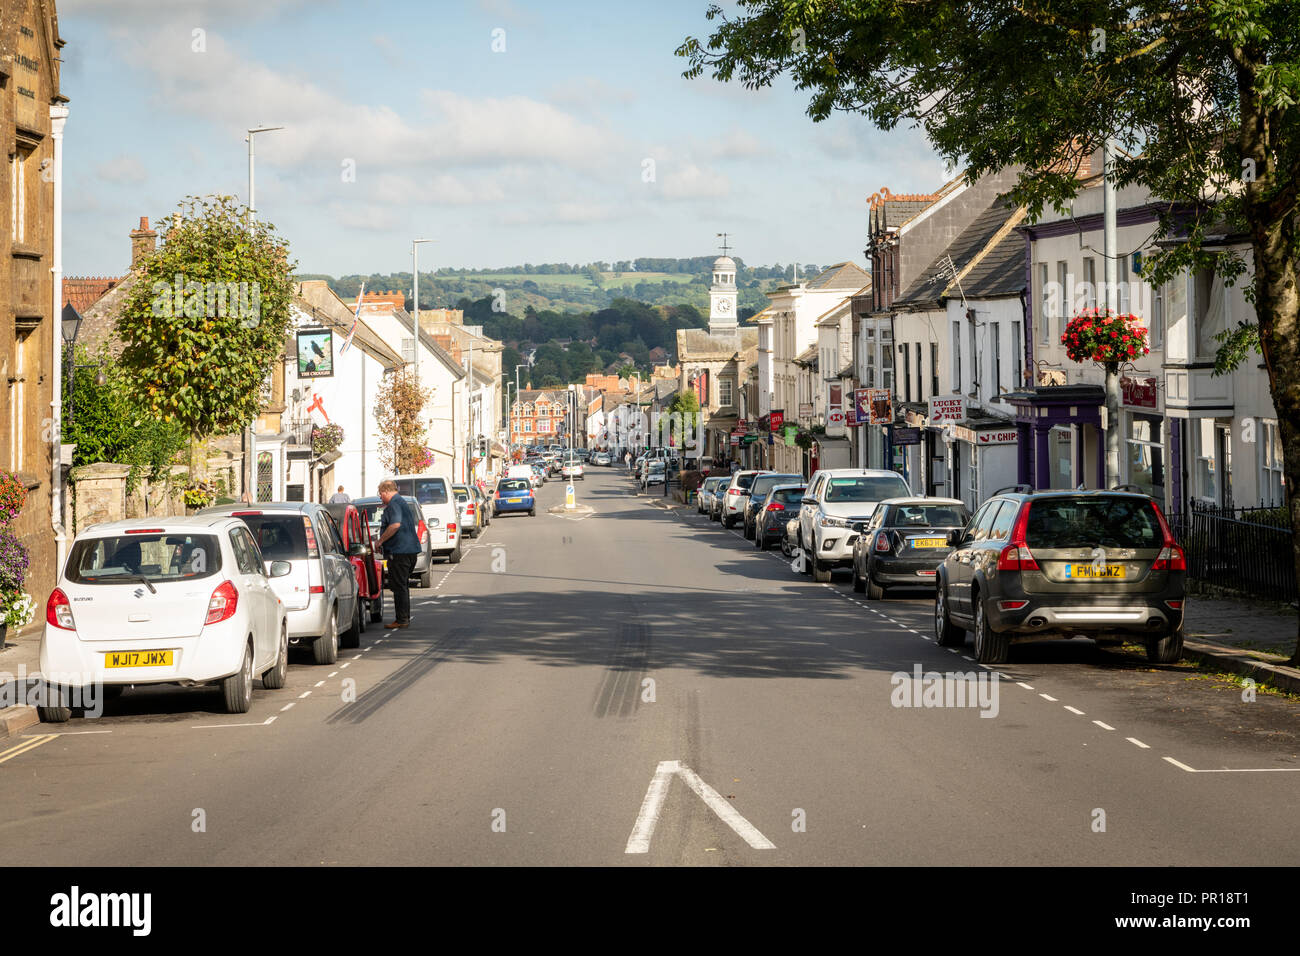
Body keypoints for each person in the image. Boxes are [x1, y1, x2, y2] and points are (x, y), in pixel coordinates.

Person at [375, 479, 421, 629]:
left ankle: (401, 619)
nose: (380, 497)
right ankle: (404, 617)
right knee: (402, 586)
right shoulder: (401, 502)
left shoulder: (394, 504)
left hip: (400, 551)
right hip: (409, 550)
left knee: (399, 586)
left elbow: (395, 524)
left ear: (386, 491)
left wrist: (380, 541)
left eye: (381, 494)